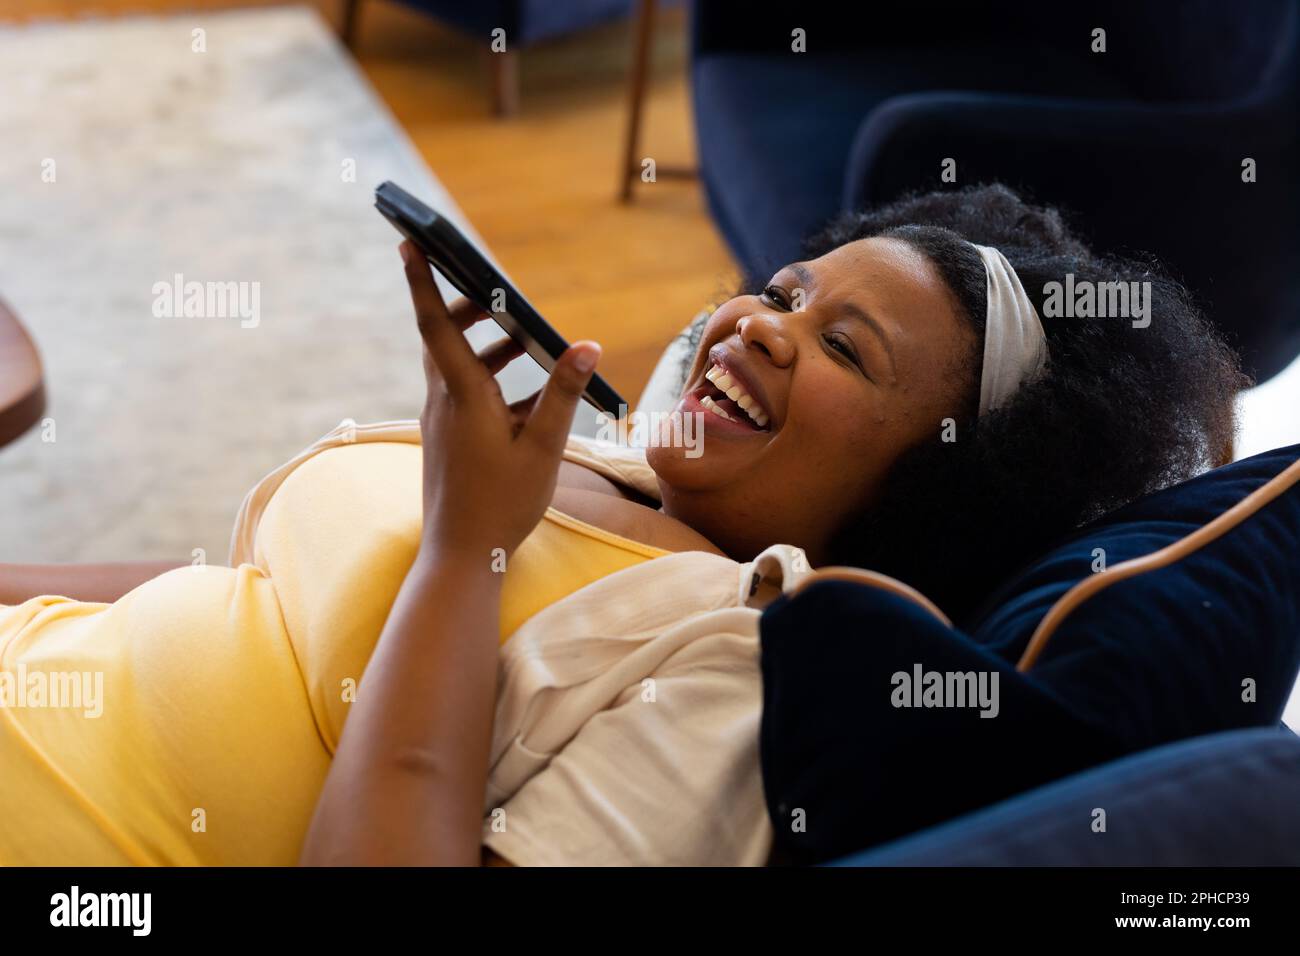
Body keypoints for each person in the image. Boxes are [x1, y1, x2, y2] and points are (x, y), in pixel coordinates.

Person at [0, 185, 1246, 866]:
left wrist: (459, 548)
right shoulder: (600, 464)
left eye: (841, 352)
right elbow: (244, 595)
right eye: (787, 291)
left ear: (937, 485)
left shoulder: (733, 668)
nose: (757, 321)